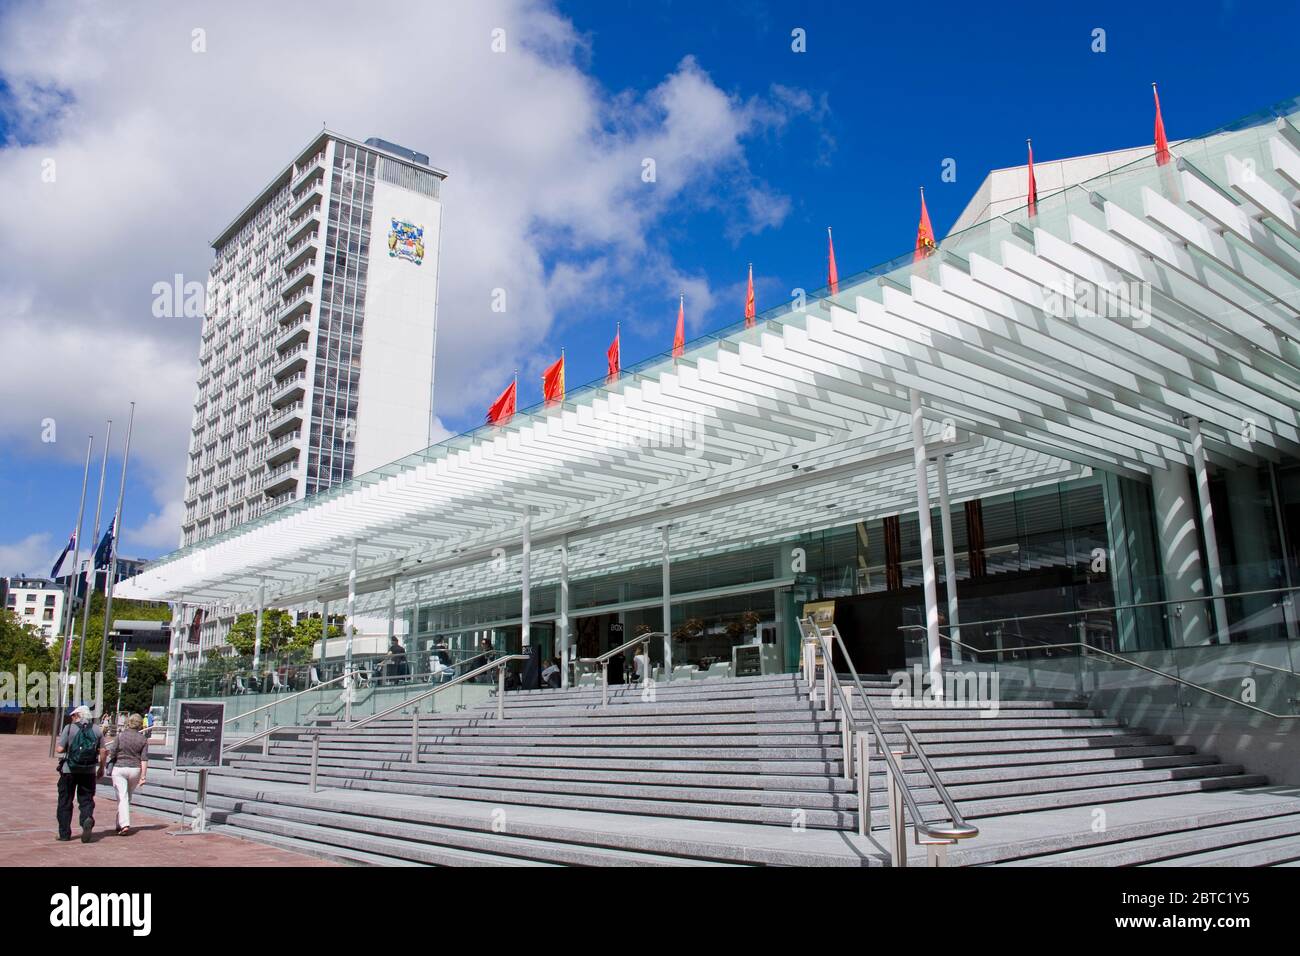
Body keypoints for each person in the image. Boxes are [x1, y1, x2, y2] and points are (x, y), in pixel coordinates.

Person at [54, 705, 107, 843]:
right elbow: (102, 751)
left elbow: (60, 749)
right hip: (88, 771)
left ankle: (64, 834)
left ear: (78, 715)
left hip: (69, 770)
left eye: (73, 715)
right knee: (86, 799)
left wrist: (64, 747)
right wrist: (101, 768)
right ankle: (86, 819)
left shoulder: (69, 728)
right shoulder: (97, 730)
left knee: (65, 801)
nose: (72, 718)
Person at [108, 714, 149, 835]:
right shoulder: (143, 739)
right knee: (127, 797)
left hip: (120, 768)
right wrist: (143, 776)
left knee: (122, 796)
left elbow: (113, 752)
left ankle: (124, 824)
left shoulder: (120, 736)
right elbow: (144, 759)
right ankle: (119, 823)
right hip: (135, 769)